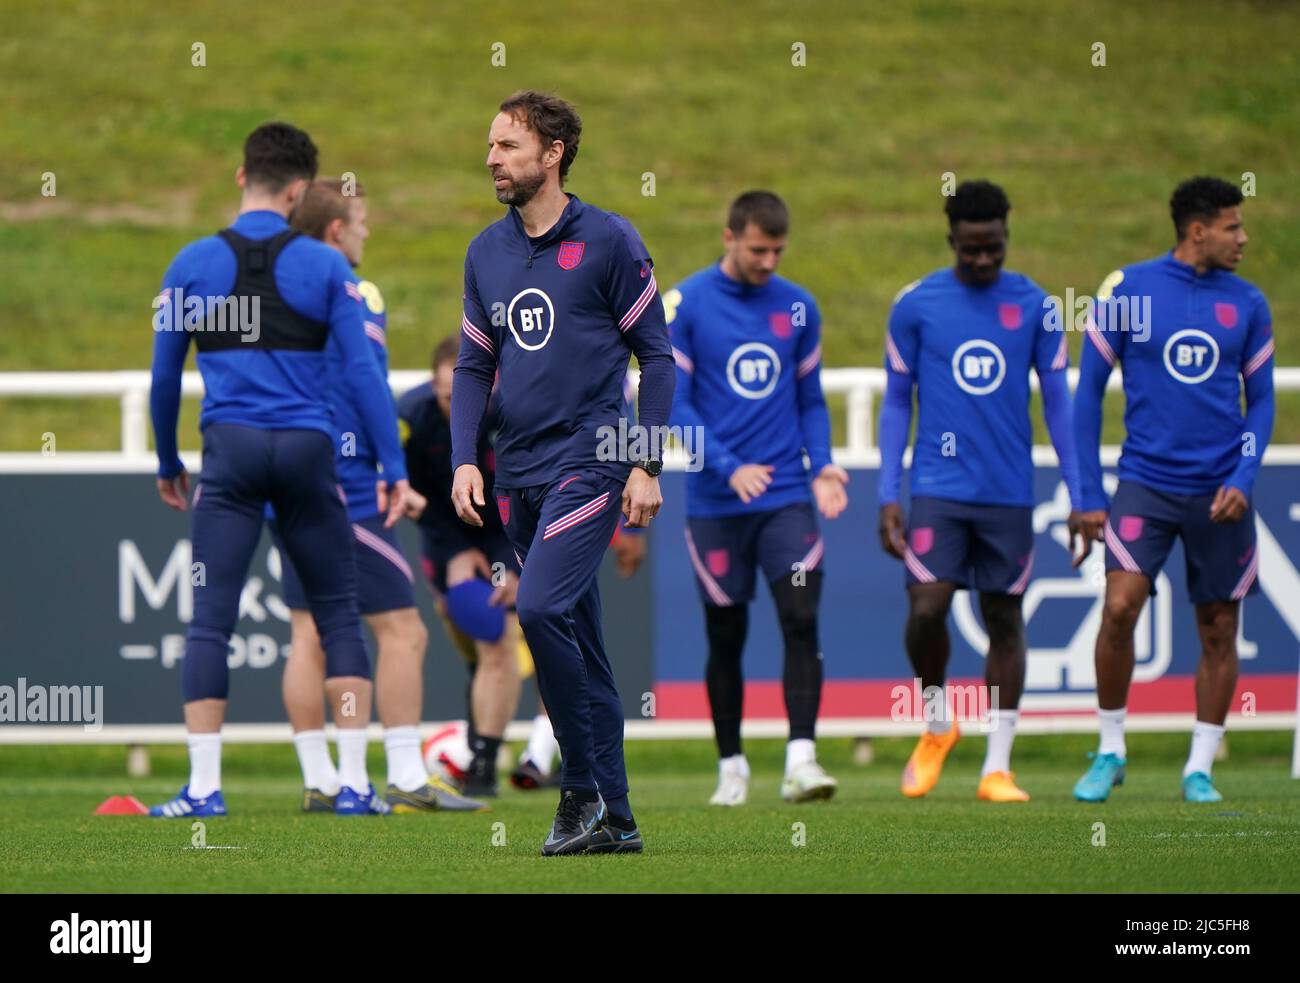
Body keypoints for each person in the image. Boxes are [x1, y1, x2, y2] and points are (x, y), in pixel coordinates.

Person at [148, 123, 408, 818]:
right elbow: (362, 374)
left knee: (210, 621)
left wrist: (167, 460)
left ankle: (203, 788)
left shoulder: (190, 263)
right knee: (338, 616)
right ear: (299, 191)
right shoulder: (328, 269)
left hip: (229, 454)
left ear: (243, 177)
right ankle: (354, 783)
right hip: (306, 452)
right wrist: (394, 466)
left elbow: (165, 377)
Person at [450, 90, 674, 855]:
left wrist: (646, 461)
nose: (492, 159)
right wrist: (462, 460)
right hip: (516, 471)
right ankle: (619, 817)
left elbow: (659, 356)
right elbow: (477, 363)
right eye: (491, 145)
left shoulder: (609, 238)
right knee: (581, 641)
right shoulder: (486, 251)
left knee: (540, 609)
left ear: (554, 154)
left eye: (508, 146)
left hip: (595, 455)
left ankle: (575, 788)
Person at [271, 180, 484, 814]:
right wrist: (391, 471)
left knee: (307, 631)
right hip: (347, 482)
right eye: (361, 220)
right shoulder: (352, 291)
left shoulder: (272, 289)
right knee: (403, 630)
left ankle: (322, 778)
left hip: (283, 473)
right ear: (337, 230)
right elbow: (365, 384)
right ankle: (405, 774)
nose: (368, 231)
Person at [877, 180, 1081, 802]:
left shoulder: (1038, 306)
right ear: (952, 241)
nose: (985, 259)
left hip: (1009, 492)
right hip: (938, 489)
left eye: (994, 247)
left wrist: (1082, 494)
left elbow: (1060, 404)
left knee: (1004, 618)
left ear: (1006, 238)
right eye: (972, 250)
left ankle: (998, 765)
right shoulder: (917, 305)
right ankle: (939, 723)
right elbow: (895, 402)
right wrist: (889, 492)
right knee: (926, 611)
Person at [1072, 176, 1274, 804]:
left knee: (1217, 629)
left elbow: (1261, 401)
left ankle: (1199, 768)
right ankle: (1109, 750)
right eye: (1233, 226)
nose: (1243, 237)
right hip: (1145, 486)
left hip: (1219, 494)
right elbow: (1084, 399)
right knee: (1119, 608)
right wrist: (1085, 493)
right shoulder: (1128, 290)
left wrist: (1243, 475)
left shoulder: (1248, 303)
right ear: (1198, 230)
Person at [666, 190, 848, 806]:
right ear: (728, 238)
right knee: (726, 634)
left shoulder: (799, 307)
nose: (768, 261)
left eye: (777, 250)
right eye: (757, 249)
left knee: (800, 618)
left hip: (786, 498)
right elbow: (672, 403)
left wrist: (822, 468)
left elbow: (811, 400)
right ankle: (731, 766)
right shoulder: (687, 304)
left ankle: (802, 759)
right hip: (717, 504)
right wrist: (726, 465)